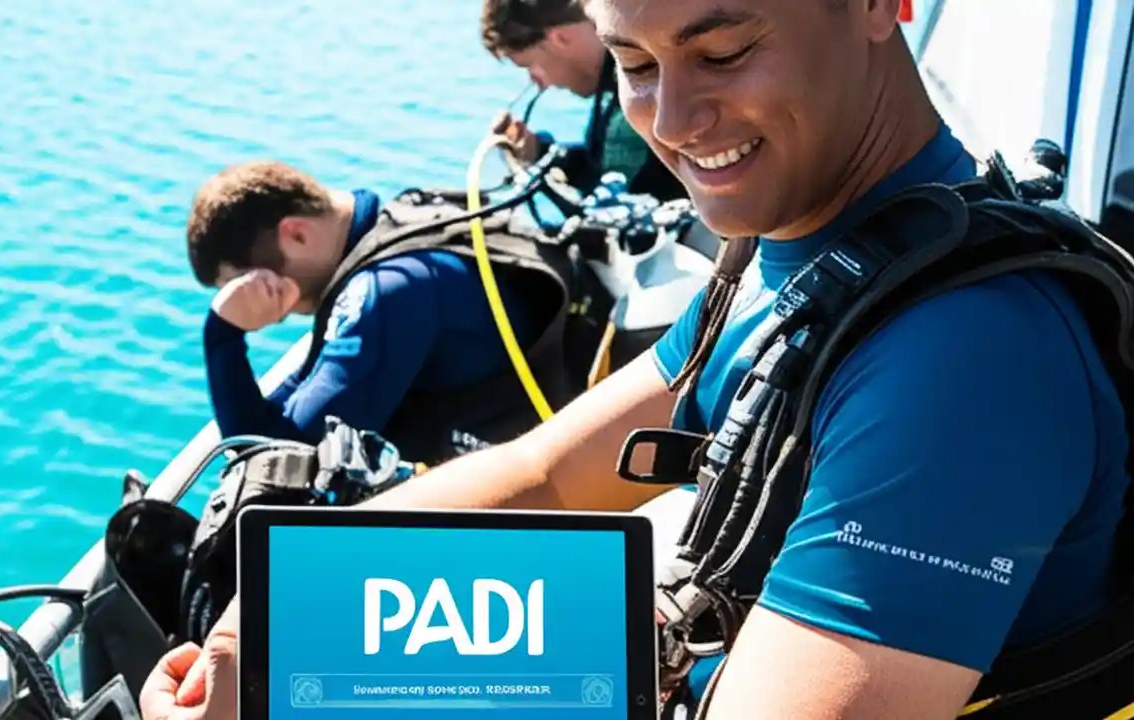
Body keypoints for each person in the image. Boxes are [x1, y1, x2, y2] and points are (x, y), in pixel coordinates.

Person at [142, 1, 1133, 718]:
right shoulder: (790, 259)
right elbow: (547, 474)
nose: (672, 120)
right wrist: (274, 618)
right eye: (635, 64)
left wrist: (329, 685)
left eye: (725, 48)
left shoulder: (958, 362)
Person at [188, 160, 574, 466]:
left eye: (245, 282)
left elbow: (274, 460)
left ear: (297, 235)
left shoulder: (386, 292)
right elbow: (285, 412)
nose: (273, 311)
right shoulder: (403, 224)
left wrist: (222, 335)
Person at [481, 0, 687, 204]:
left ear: (559, 38)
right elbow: (605, 176)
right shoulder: (613, 86)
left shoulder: (647, 82)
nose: (537, 83)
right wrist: (538, 152)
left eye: (529, 65)